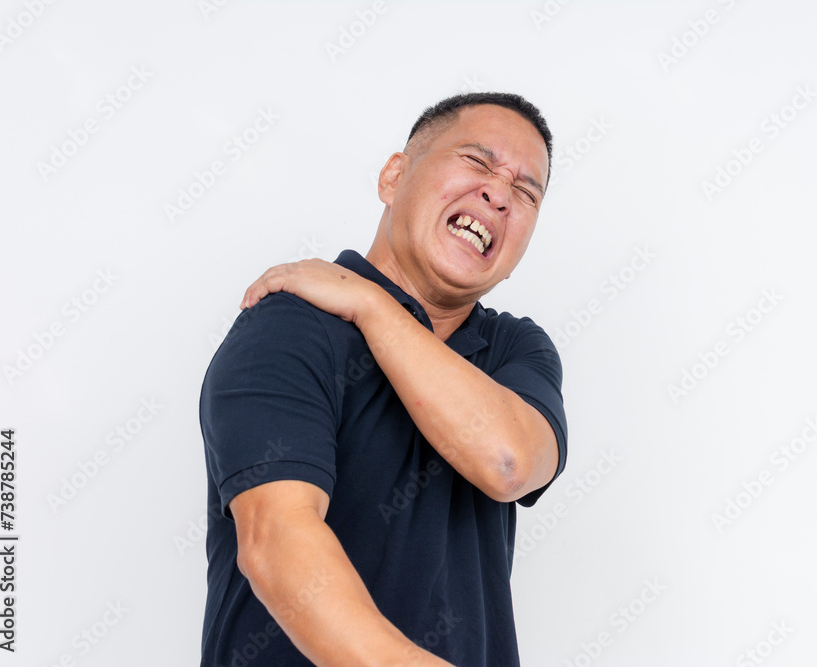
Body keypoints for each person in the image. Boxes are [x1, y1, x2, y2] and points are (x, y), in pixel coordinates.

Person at [199, 92, 568, 666]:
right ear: (395, 176)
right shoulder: (289, 325)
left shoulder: (515, 352)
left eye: (526, 193)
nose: (499, 194)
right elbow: (277, 540)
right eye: (477, 162)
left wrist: (371, 306)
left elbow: (508, 462)